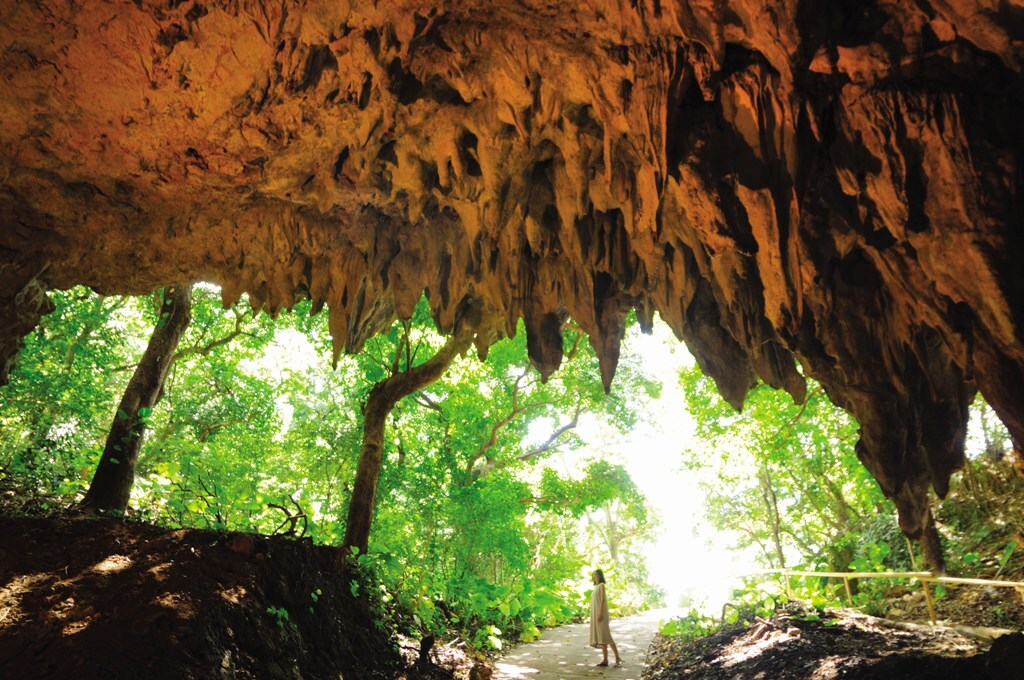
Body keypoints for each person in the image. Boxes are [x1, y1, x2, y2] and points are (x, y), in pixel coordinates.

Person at [589, 569, 621, 667]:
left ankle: (617, 657)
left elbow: (602, 600)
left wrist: (600, 613)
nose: (594, 576)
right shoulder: (595, 587)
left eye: (596, 574)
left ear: (600, 576)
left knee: (606, 636)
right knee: (602, 638)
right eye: (593, 575)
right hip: (596, 614)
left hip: (601, 614)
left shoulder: (601, 586)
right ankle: (605, 660)